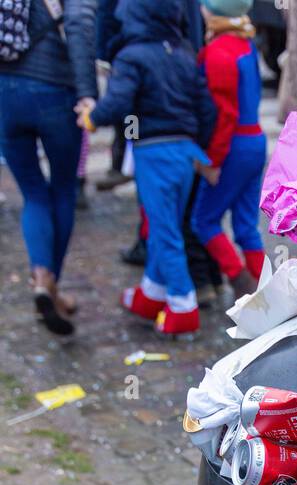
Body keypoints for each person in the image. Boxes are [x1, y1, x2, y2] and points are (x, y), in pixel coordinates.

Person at [78, 0, 215, 336]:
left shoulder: (131, 55)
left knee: (165, 229)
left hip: (154, 152)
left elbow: (119, 102)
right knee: (162, 224)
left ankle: (183, 305)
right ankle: (153, 292)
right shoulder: (183, 52)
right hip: (184, 152)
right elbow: (206, 108)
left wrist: (92, 118)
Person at [0, 0, 97, 336]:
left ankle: (44, 283)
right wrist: (87, 93)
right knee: (63, 190)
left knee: (33, 195)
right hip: (55, 89)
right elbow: (80, 27)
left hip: (7, 92)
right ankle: (48, 284)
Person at [190, 0, 266, 300]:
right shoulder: (246, 44)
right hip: (255, 140)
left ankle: (240, 279)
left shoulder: (218, 51)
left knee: (204, 220)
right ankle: (266, 290)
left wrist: (212, 159)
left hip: (234, 146)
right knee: (247, 225)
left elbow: (224, 115)